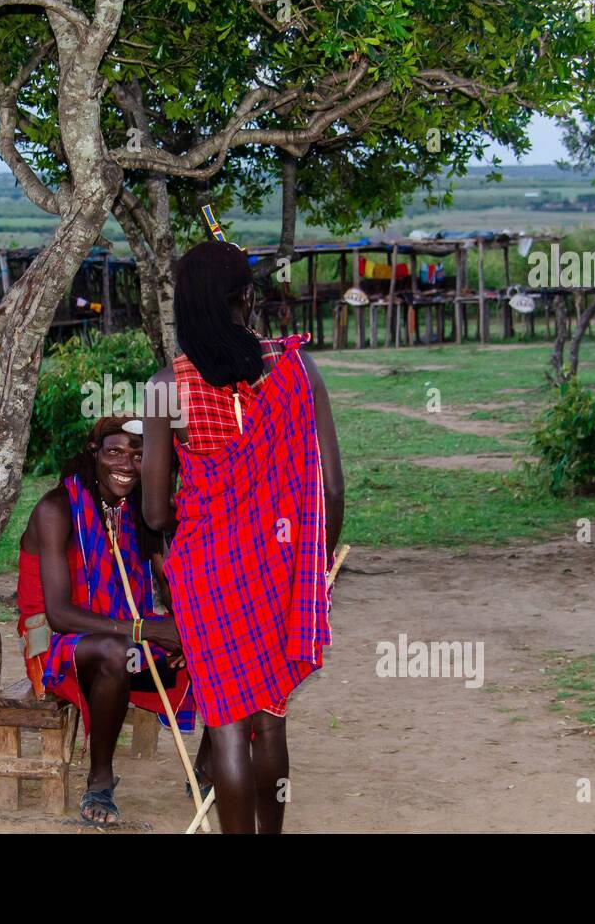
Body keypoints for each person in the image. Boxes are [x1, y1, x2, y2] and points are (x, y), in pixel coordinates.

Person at [141, 240, 345, 834]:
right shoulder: (297, 371)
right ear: (248, 299)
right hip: (281, 569)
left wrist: (198, 521)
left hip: (207, 576)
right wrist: (313, 568)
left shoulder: (166, 386)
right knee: (270, 721)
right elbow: (331, 489)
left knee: (228, 725)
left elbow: (153, 512)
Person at [16, 416, 196, 825]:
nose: (126, 465)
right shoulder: (56, 509)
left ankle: (205, 769)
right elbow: (59, 615)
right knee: (118, 651)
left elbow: (169, 583)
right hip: (54, 643)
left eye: (139, 455)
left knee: (212, 640)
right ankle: (100, 781)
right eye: (115, 452)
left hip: (122, 632)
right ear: (93, 452)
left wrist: (183, 632)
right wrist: (146, 630)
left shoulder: (139, 509)